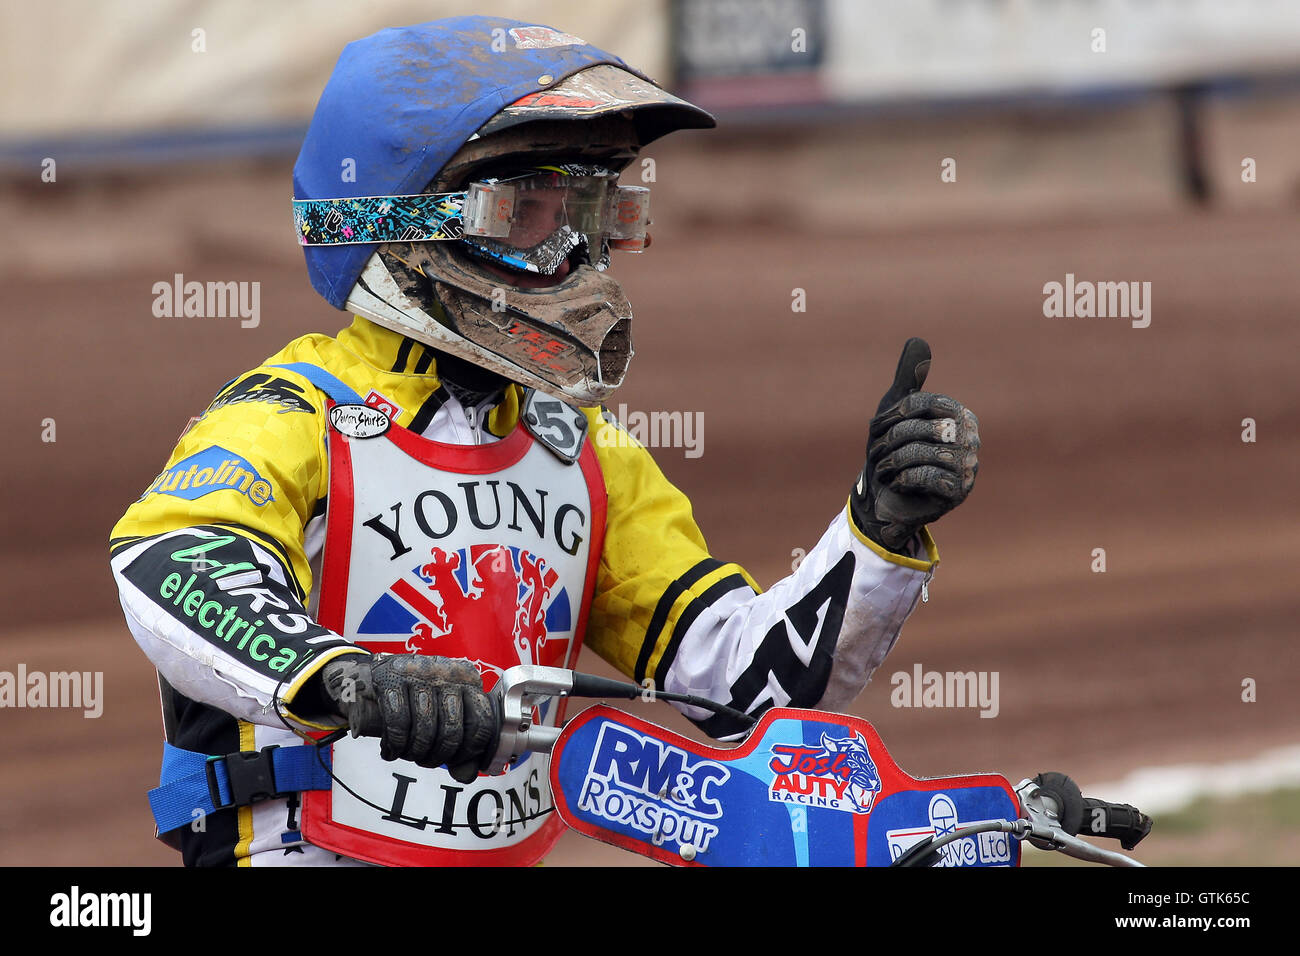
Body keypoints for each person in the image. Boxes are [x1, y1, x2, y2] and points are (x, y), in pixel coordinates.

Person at [109, 16, 980, 867]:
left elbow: (749, 695)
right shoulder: (296, 410)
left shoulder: (580, 449)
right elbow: (169, 556)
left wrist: (879, 530)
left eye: (595, 212)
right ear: (412, 223)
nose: (576, 253)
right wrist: (342, 676)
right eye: (530, 212)